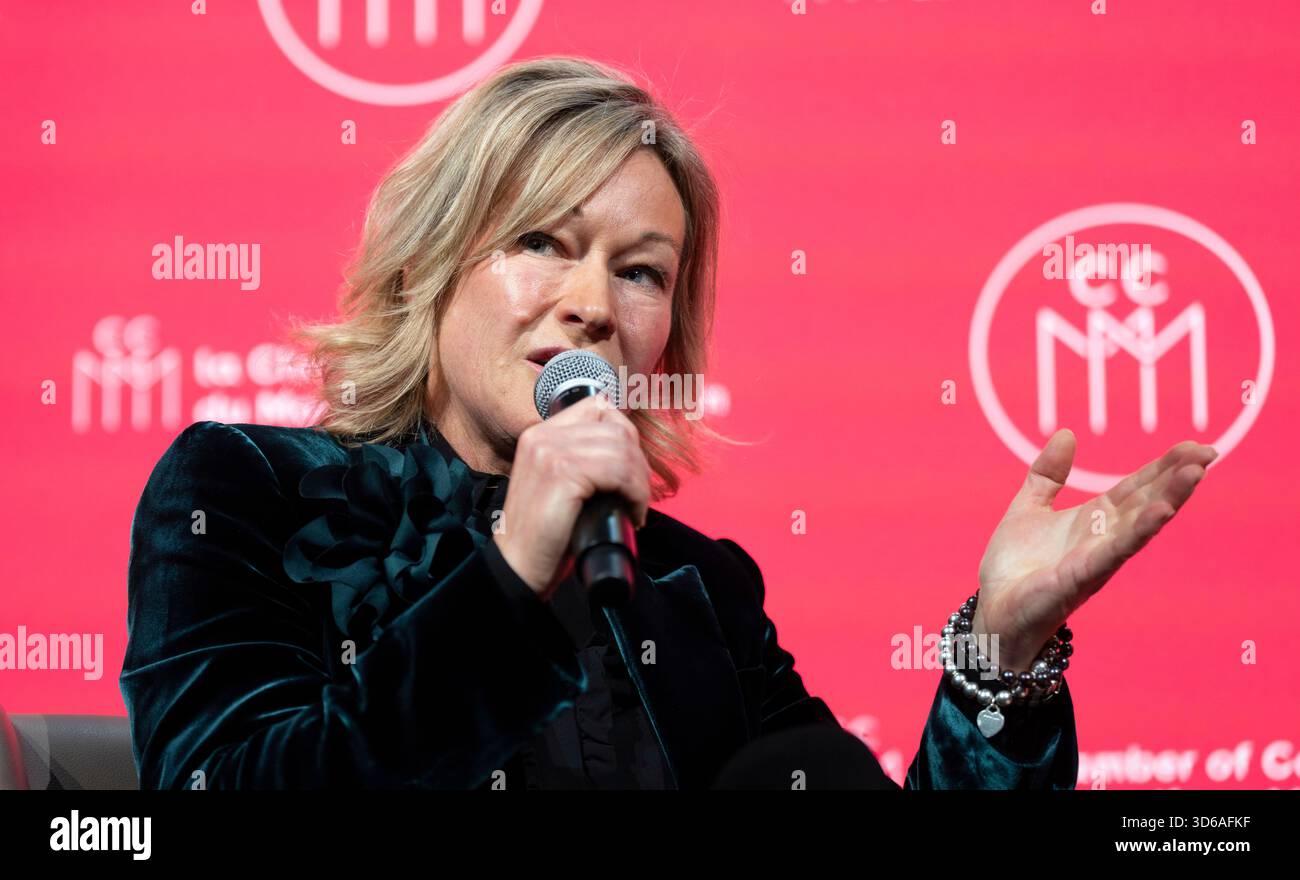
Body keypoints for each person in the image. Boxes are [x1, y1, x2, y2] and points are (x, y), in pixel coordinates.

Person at [119, 56, 1217, 790]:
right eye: (543, 241)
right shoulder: (247, 491)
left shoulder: (695, 587)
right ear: (427, 261)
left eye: (640, 272)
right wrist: (506, 575)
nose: (594, 303)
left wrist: (998, 651)